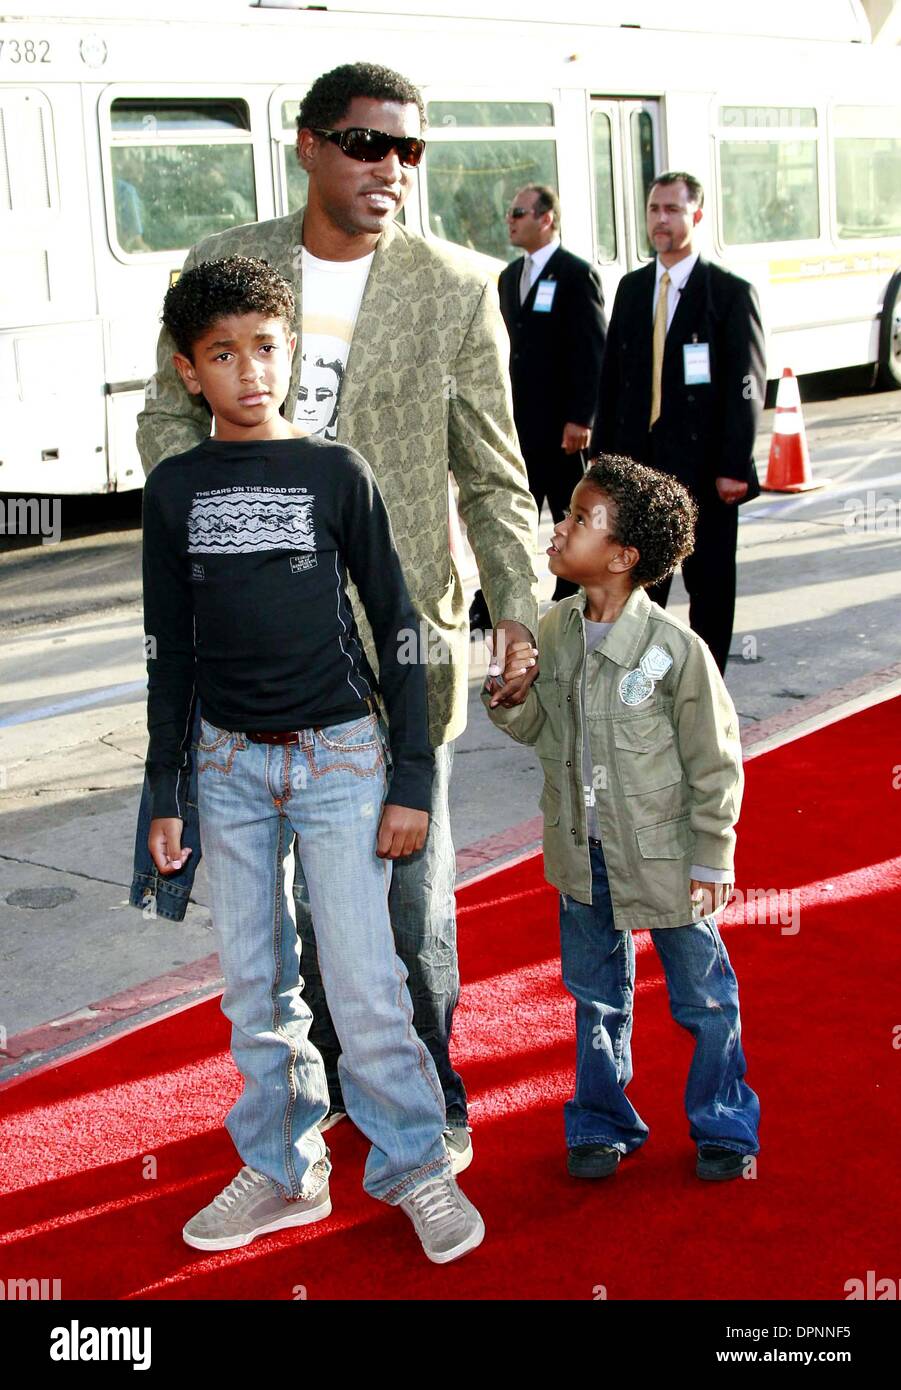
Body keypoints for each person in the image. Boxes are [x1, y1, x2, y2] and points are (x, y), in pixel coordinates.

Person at [130, 62, 540, 1173]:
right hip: (257, 656)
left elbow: (495, 477)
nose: (391, 170)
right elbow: (164, 427)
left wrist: (521, 608)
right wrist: (225, 524)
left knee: (405, 905)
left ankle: (428, 1098)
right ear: (308, 144)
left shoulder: (456, 285)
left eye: (411, 150)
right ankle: (316, 1125)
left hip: (401, 651)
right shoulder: (234, 263)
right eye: (368, 144)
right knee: (280, 928)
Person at [144, 254, 485, 1263]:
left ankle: (416, 1166)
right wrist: (167, 788)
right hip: (228, 769)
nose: (250, 370)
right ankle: (286, 1171)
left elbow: (403, 622)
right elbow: (170, 649)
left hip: (342, 759)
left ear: (291, 350)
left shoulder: (337, 473)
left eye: (266, 346)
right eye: (223, 353)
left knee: (366, 976)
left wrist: (414, 777)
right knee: (255, 985)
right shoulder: (173, 491)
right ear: (186, 370)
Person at [484, 454, 760, 1181]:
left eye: (579, 518)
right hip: (583, 855)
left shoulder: (675, 653)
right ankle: (601, 1123)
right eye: (566, 512)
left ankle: (723, 1123)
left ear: (621, 556)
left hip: (666, 856)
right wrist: (511, 701)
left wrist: (713, 856)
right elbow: (546, 735)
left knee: (702, 997)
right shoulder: (554, 629)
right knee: (593, 999)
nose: (561, 526)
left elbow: (714, 763)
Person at [592, 171, 765, 672]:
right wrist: (604, 463)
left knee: (709, 586)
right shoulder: (631, 288)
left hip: (705, 472)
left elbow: (745, 384)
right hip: (641, 471)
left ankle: (707, 689)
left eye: (672, 209)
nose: (660, 219)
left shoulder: (729, 294)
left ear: (697, 216)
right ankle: (640, 686)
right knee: (640, 582)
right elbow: (612, 381)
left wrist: (734, 464)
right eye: (653, 209)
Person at [470, 184, 606, 624]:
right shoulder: (511, 277)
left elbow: (591, 352)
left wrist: (581, 416)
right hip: (519, 427)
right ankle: (498, 600)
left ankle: (573, 595)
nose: (510, 220)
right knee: (512, 516)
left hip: (561, 430)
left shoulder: (574, 273)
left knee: (572, 517)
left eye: (519, 212)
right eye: (510, 213)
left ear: (546, 218)